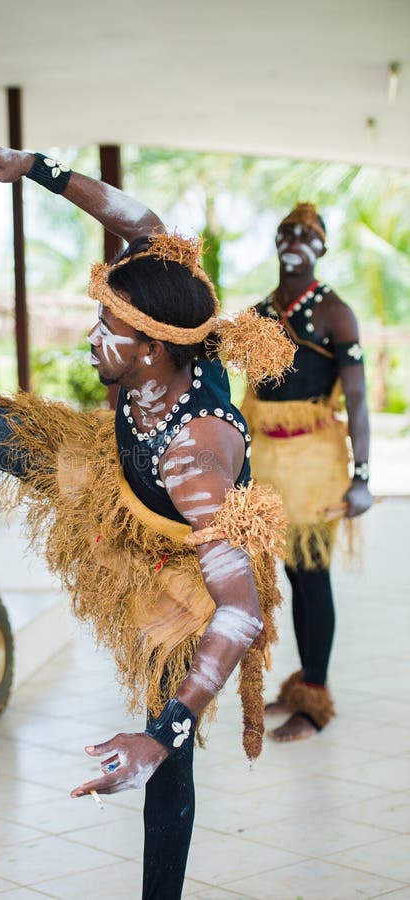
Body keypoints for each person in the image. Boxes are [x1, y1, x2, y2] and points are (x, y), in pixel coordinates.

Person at [0, 146, 292, 898]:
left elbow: (241, 612)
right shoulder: (170, 312)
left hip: (176, 566)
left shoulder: (195, 464)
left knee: (169, 752)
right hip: (106, 473)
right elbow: (142, 220)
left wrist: (158, 735)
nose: (89, 338)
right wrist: (35, 168)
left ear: (150, 348)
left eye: (107, 329)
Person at [241, 202, 372, 743]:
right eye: (286, 232)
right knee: (291, 576)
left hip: (316, 460)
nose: (295, 240)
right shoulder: (258, 312)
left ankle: (314, 701)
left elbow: (359, 399)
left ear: (322, 249)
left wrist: (362, 475)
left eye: (307, 235)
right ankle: (302, 684)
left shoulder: (336, 312)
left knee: (312, 577)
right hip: (268, 460)